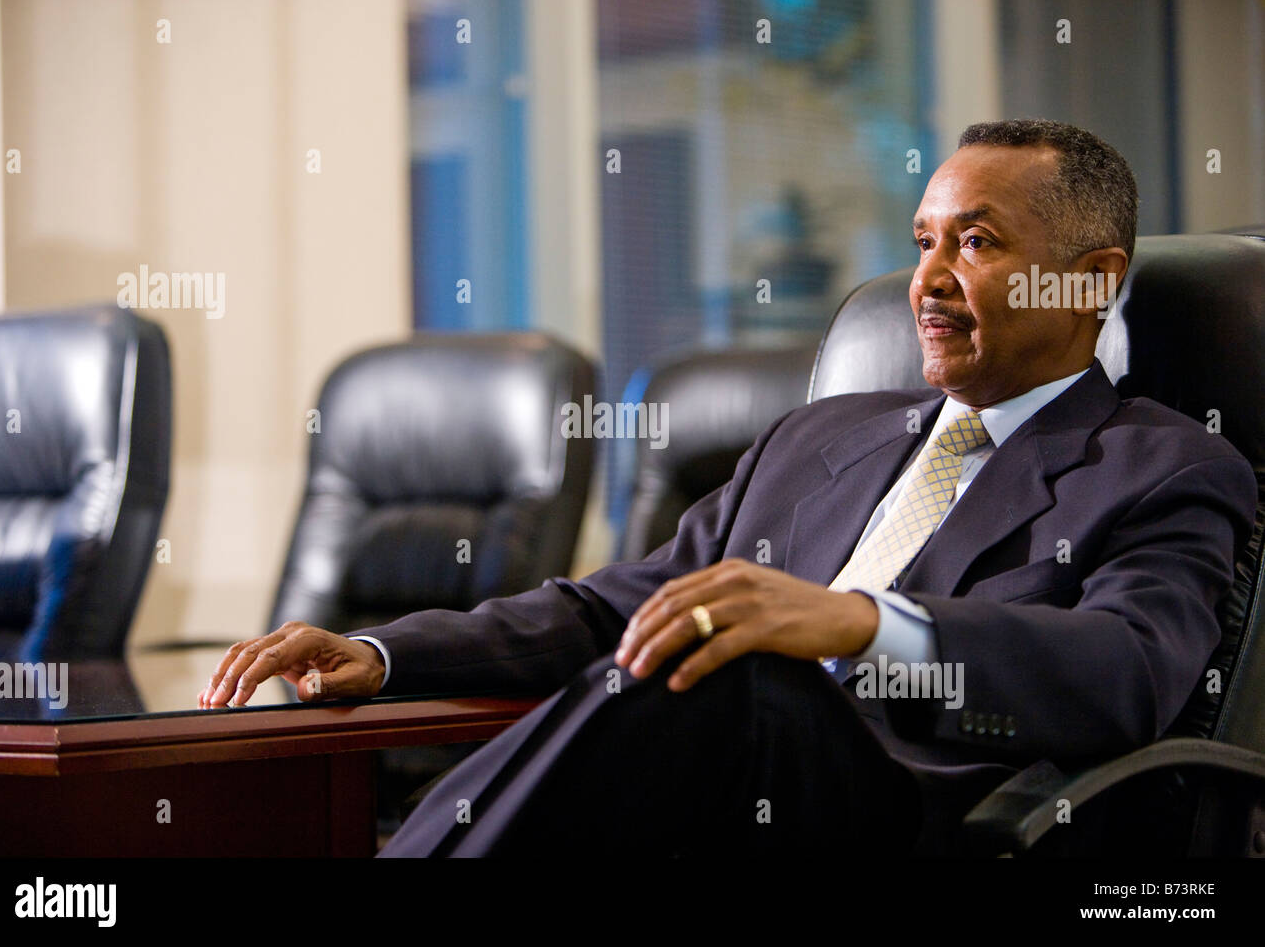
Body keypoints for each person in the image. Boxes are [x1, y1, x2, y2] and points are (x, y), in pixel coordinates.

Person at [199, 119, 1258, 856]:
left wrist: (851, 623)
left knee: (717, 668)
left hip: (927, 813)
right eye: (923, 241)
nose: (926, 282)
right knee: (665, 644)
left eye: (976, 244)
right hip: (718, 798)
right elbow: (617, 602)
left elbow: (1128, 669)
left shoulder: (1166, 465)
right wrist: (385, 652)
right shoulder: (817, 436)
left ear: (1090, 279)